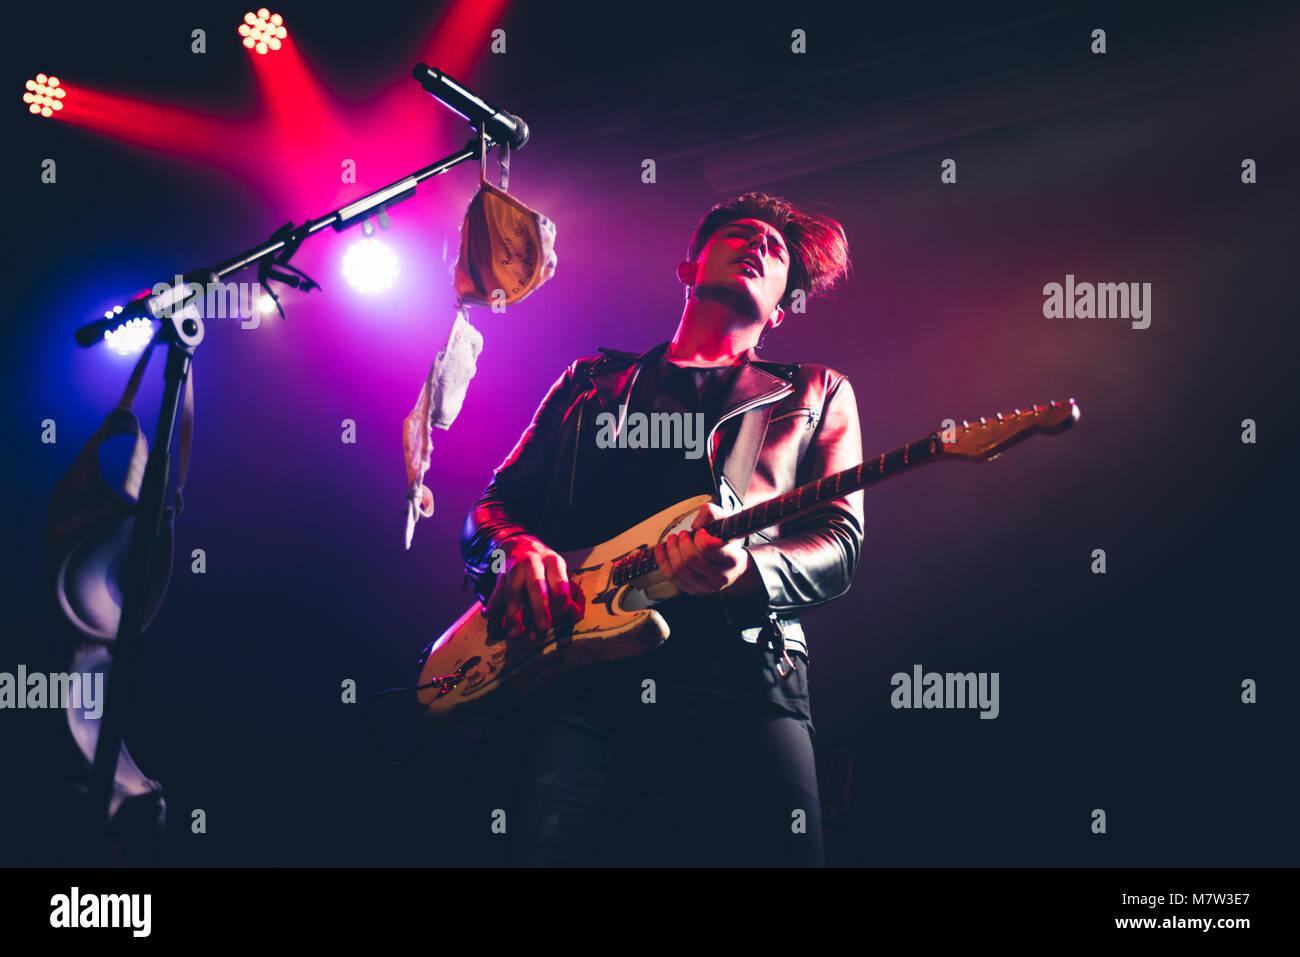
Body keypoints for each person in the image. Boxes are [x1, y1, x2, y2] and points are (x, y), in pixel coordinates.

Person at [455, 192, 864, 866]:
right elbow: (494, 505)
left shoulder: (816, 391)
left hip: (744, 676)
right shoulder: (590, 383)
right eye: (741, 233)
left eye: (776, 249)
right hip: (574, 674)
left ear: (780, 308)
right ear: (688, 267)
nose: (759, 245)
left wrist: (747, 569)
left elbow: (840, 543)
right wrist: (515, 550)